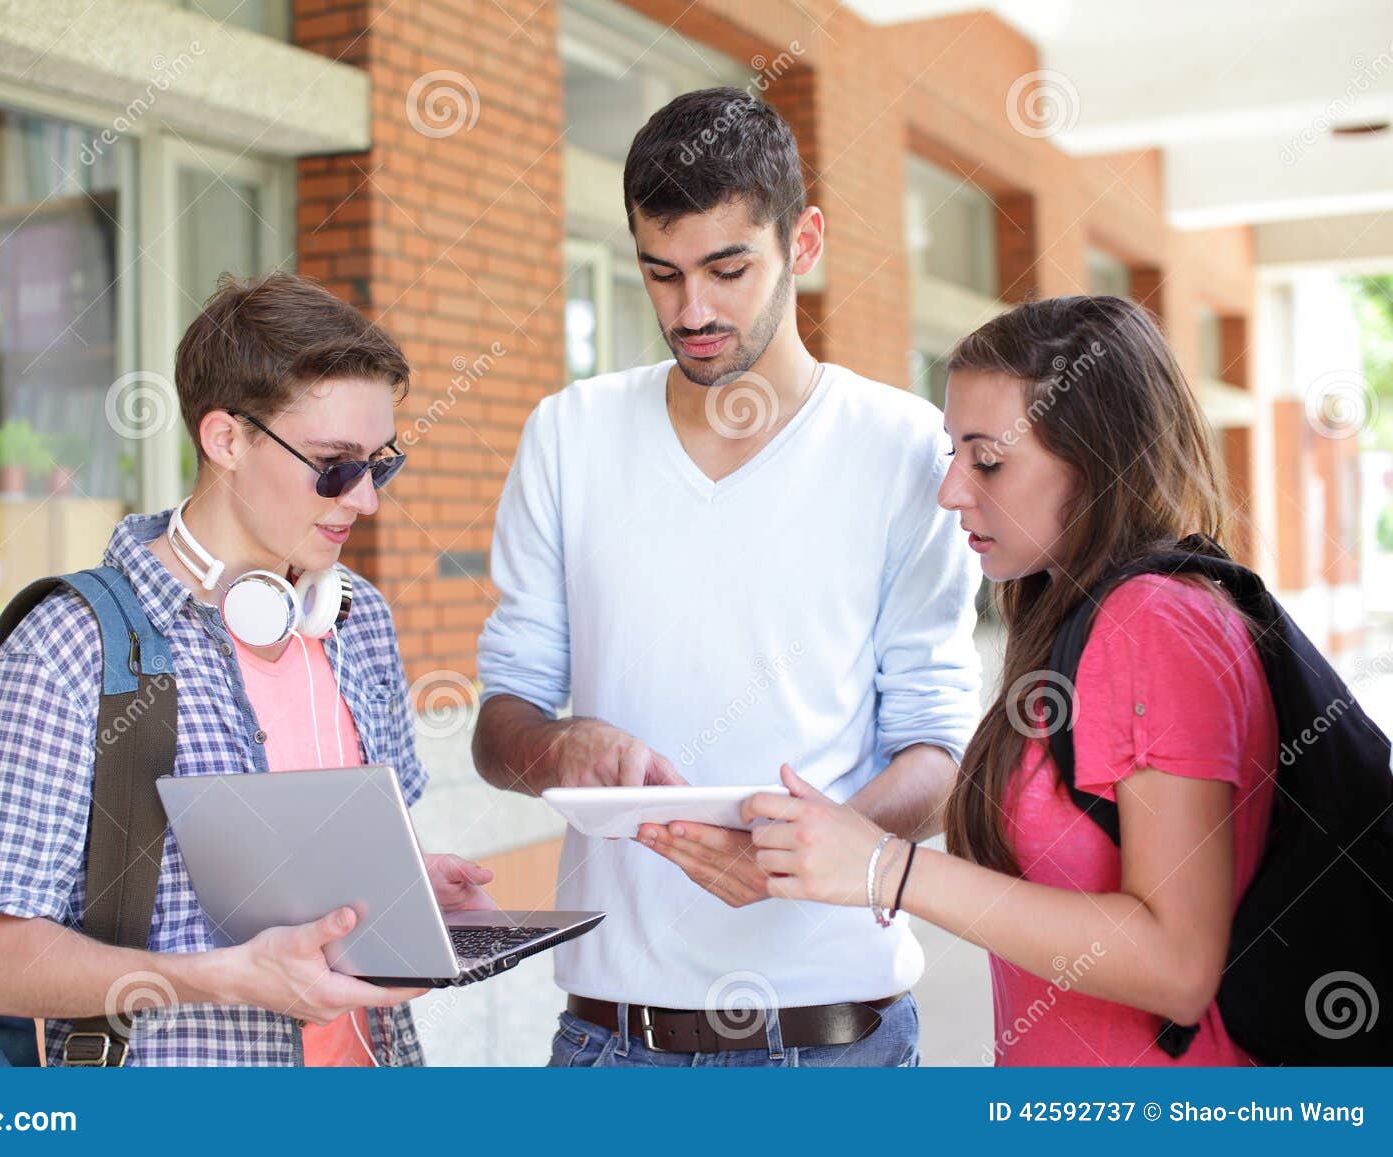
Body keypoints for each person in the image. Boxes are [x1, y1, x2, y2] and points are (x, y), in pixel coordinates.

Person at [472, 88, 981, 1067]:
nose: (692, 311)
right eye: (660, 275)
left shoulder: (903, 446)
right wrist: (557, 745)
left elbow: (936, 746)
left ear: (806, 241)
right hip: (609, 1038)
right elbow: (502, 725)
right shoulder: (568, 436)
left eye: (727, 269)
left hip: (837, 1041)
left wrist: (820, 846)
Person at [0, 271, 495, 1067]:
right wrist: (221, 977)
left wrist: (402, 890)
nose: (365, 500)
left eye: (379, 464)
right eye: (334, 465)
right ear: (226, 439)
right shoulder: (71, 647)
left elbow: (336, 874)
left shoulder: (356, 620)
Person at [744, 294, 1277, 1066]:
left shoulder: (1154, 623)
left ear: (1095, 463)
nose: (951, 490)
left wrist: (884, 867)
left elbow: (1177, 964)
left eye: (987, 459)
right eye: (953, 454)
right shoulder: (1089, 618)